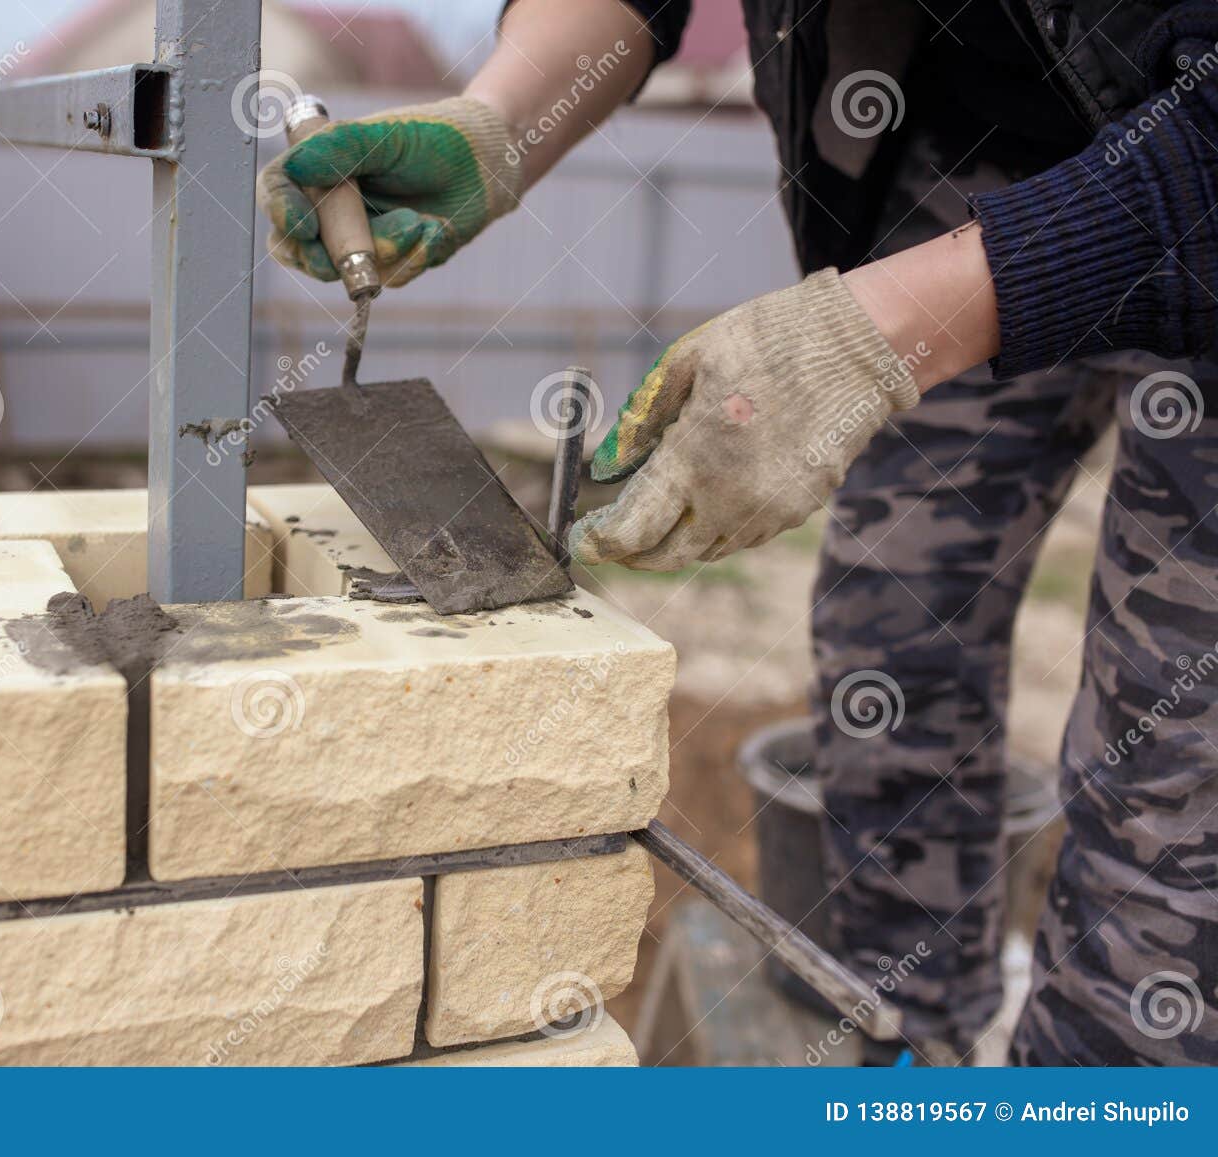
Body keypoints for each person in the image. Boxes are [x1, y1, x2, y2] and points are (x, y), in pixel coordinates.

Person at [258, 0, 1218, 1064]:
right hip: (979, 154)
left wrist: (868, 340)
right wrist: (500, 121)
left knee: (1171, 802)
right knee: (891, 634)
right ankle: (909, 1047)